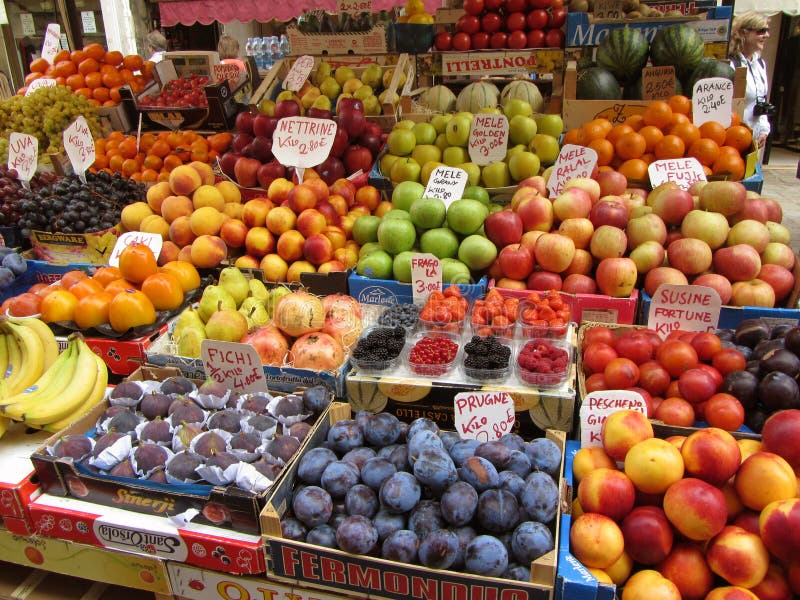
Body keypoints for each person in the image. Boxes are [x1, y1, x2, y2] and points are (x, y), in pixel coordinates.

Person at [729, 12, 773, 148]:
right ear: (743, 33)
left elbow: (760, 100)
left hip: (754, 140)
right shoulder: (731, 64)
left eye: (767, 30)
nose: (766, 35)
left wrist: (764, 130)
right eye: (761, 31)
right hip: (734, 140)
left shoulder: (760, 63)